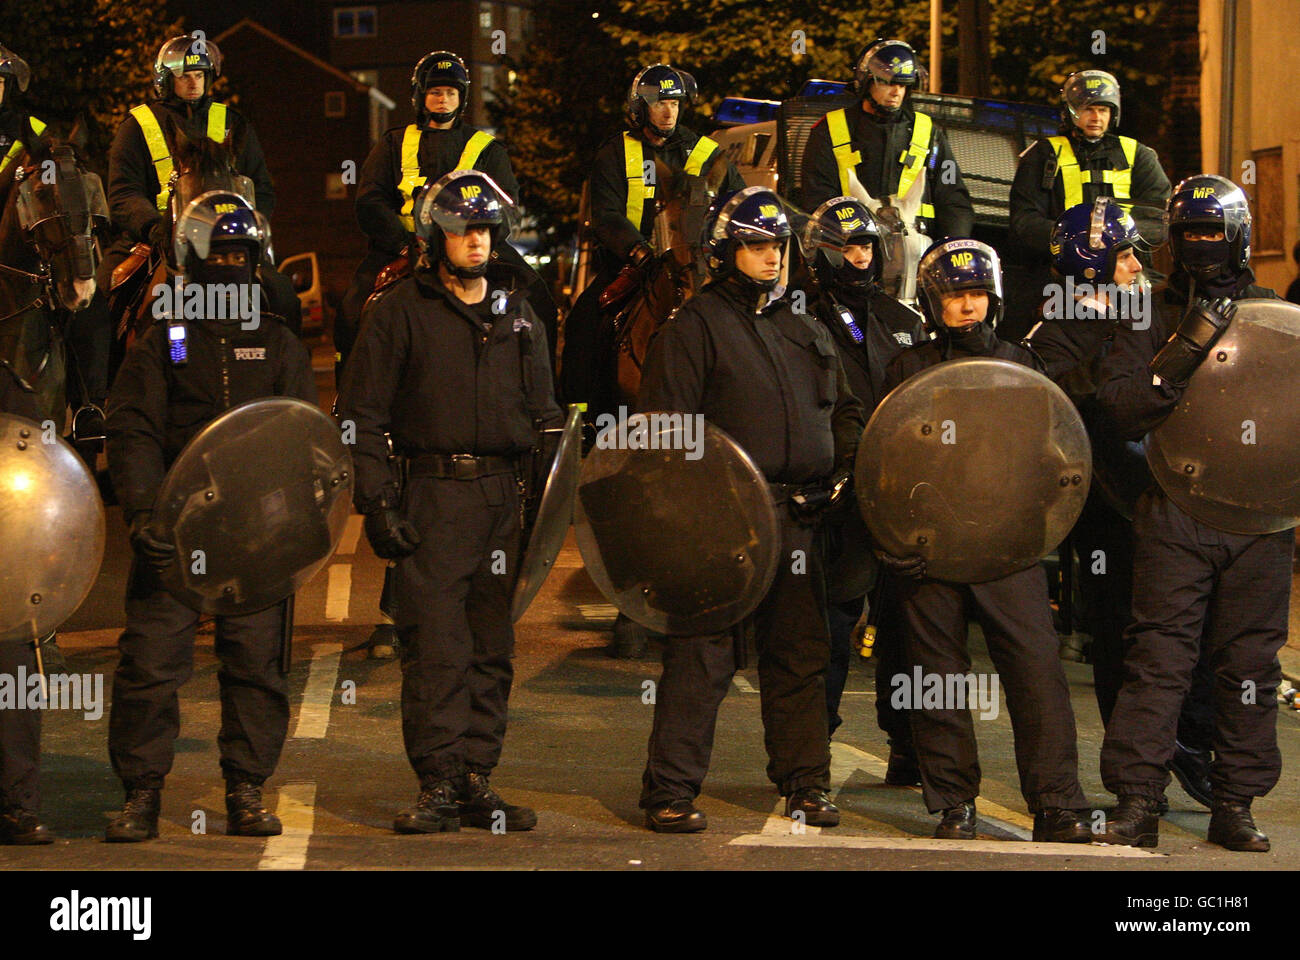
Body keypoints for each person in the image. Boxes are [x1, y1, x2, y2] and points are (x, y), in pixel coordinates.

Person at [337, 170, 562, 834]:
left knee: (491, 649)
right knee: (435, 648)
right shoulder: (400, 309)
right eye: (464, 229)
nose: (476, 241)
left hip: (503, 501)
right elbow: (361, 416)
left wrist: (547, 506)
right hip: (432, 498)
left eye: (485, 229)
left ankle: (475, 781)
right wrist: (377, 504)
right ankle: (436, 782)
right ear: (437, 236)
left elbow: (547, 418)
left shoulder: (520, 314)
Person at [634, 186, 864, 833]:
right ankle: (669, 790)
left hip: (798, 521)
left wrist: (840, 472)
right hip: (721, 521)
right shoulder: (694, 329)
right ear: (725, 252)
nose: (772, 257)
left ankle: (806, 785)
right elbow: (660, 436)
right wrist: (688, 521)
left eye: (779, 245)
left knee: (799, 656)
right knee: (701, 657)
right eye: (758, 245)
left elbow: (843, 411)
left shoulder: (804, 325)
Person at [103, 192, 315, 842]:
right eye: (217, 253)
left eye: (239, 254)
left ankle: (246, 790)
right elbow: (134, 427)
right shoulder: (165, 339)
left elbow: (304, 438)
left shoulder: (277, 343)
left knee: (256, 666)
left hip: (254, 538)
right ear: (194, 260)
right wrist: (145, 512)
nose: (229, 265)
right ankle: (142, 792)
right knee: (150, 664)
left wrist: (292, 527)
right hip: (174, 531)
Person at [1094, 175, 1291, 851]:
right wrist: (1184, 347)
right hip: (1175, 506)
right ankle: (1137, 798)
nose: (1202, 245)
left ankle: (1235, 802)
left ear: (1234, 238)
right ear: (1173, 241)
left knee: (1249, 667)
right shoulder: (1143, 312)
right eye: (1190, 234)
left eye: (1213, 232)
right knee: (1159, 657)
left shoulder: (1270, 313)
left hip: (1259, 516)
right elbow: (1120, 407)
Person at [879, 239, 1091, 842]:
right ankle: (954, 802)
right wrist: (892, 537)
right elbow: (884, 462)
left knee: (1035, 672)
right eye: (955, 297)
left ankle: (1056, 803)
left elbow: (1050, 459)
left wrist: (1037, 533)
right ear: (932, 302)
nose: (968, 307)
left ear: (993, 300)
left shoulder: (1021, 365)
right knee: (937, 675)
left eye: (977, 295)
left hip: (1006, 548)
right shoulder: (906, 369)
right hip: (931, 547)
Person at [1024, 199, 1216, 808]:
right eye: (1126, 255)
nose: (1139, 266)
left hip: (1168, 494)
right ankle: (1144, 768)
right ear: (1093, 263)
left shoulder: (1154, 307)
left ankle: (1187, 743)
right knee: (1121, 638)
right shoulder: (1054, 330)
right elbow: (1055, 408)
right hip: (1105, 507)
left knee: (1188, 634)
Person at [560, 62, 744, 659]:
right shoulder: (614, 151)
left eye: (675, 103)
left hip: (701, 269)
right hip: (635, 266)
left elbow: (737, 199)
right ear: (639, 105)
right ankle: (584, 419)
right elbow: (606, 214)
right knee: (590, 318)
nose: (668, 111)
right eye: (658, 102)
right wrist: (639, 251)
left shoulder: (704, 151)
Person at [802, 197, 925, 783]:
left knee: (905, 629)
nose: (861, 257)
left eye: (868, 246)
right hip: (838, 499)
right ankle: (812, 755)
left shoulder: (903, 320)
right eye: (849, 247)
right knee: (828, 630)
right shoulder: (799, 320)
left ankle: (907, 746)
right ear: (823, 253)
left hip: (901, 498)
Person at [1005, 69, 1170, 339]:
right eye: (1088, 108)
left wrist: (1113, 243)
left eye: (1103, 110)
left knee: (1162, 318)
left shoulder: (1138, 155)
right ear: (1070, 111)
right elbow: (1024, 223)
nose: (1096, 117)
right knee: (1022, 319)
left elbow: (1159, 220)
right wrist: (1074, 243)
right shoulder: (1043, 154)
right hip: (1061, 276)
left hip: (1127, 272)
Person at [800, 38, 973, 281]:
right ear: (866, 82)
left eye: (903, 85)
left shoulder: (928, 132)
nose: (897, 92)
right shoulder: (830, 129)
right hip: (849, 257)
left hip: (915, 258)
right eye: (887, 83)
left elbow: (953, 199)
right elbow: (816, 199)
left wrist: (951, 250)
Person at [0, 359, 53, 845]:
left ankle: (17, 806)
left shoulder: (9, 387)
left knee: (15, 678)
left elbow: (36, 474)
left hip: (3, 567)